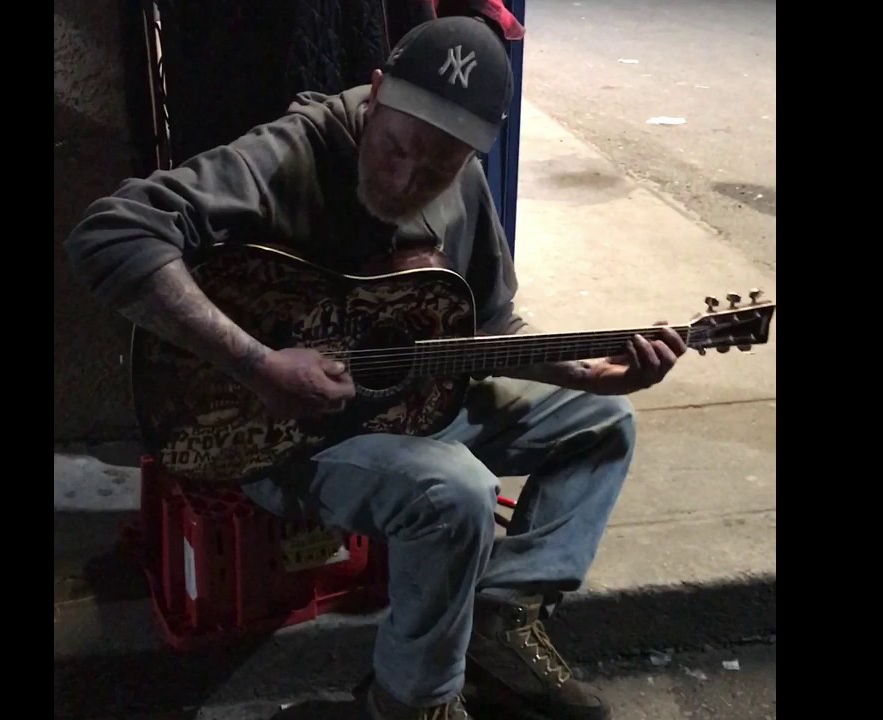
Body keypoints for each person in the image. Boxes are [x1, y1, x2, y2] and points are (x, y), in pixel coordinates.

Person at [64, 15, 687, 720]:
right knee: (458, 493)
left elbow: (489, 323)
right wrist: (260, 364)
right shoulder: (287, 154)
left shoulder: (464, 182)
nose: (407, 178)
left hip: (416, 404)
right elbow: (110, 233)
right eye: (397, 148)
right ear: (379, 93)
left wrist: (583, 373)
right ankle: (409, 703)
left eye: (439, 166)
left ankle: (500, 616)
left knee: (604, 421)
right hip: (281, 431)